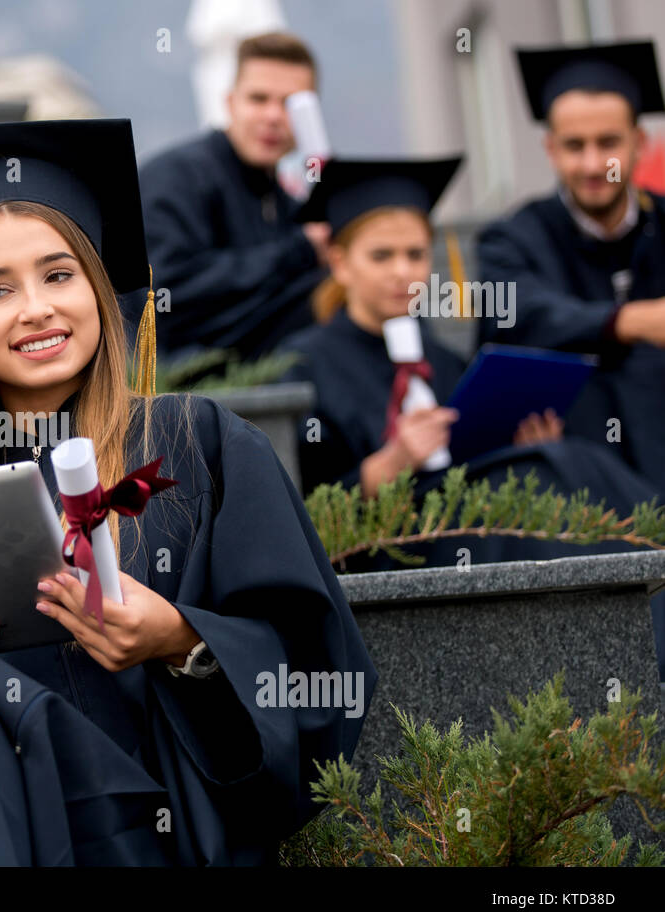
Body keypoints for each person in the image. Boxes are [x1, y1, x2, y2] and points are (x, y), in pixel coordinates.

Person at [0, 118, 377, 866]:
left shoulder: (199, 445)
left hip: (171, 828)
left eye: (59, 274)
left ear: (97, 285)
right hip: (8, 833)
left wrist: (184, 644)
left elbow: (319, 678)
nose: (35, 308)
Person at [276, 157, 665, 674]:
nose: (402, 272)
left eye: (415, 254)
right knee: (552, 475)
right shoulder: (303, 367)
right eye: (381, 256)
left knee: (562, 461)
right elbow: (295, 513)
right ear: (341, 263)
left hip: (472, 531)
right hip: (391, 553)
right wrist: (389, 463)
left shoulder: (445, 360)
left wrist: (522, 439)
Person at [476, 41, 665, 496]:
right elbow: (519, 313)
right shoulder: (512, 239)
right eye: (574, 146)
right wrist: (626, 321)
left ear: (639, 143)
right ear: (550, 148)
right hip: (574, 484)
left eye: (609, 143)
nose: (593, 164)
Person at [139, 31, 328, 360]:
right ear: (230, 103)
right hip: (187, 392)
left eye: (289, 103)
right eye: (258, 98)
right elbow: (166, 297)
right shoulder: (176, 177)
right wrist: (301, 250)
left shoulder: (287, 202)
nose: (273, 116)